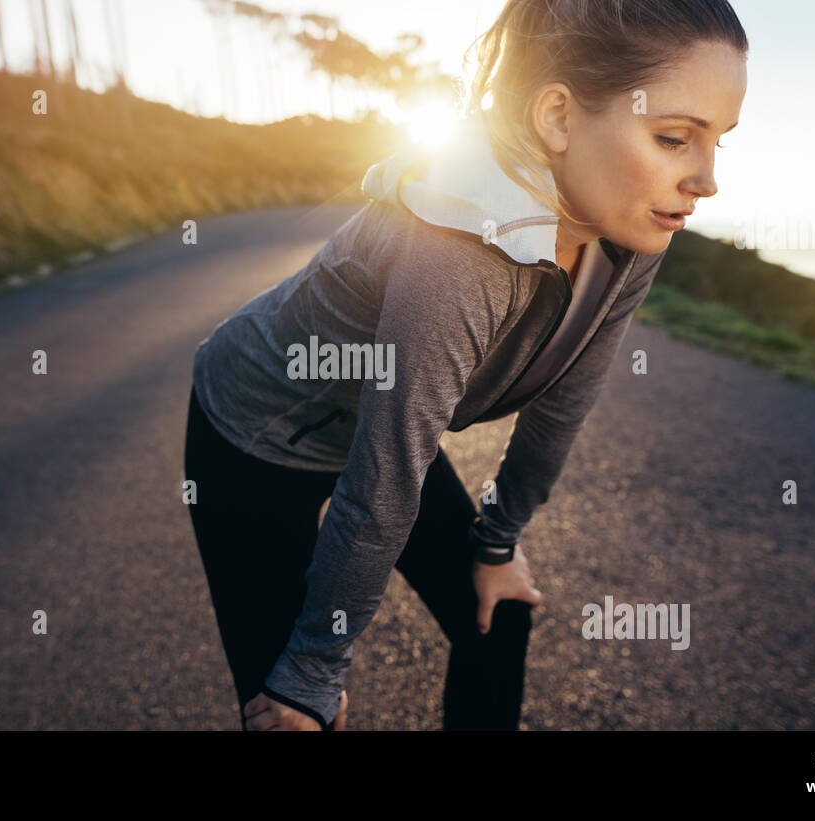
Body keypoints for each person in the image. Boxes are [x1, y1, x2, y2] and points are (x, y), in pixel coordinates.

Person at [185, 0, 748, 731]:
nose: (705, 180)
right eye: (674, 138)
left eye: (718, 144)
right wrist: (316, 668)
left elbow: (563, 407)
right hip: (253, 433)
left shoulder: (633, 236)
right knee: (289, 713)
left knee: (499, 607)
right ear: (557, 117)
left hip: (371, 432)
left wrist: (497, 542)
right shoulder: (461, 247)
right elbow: (385, 475)